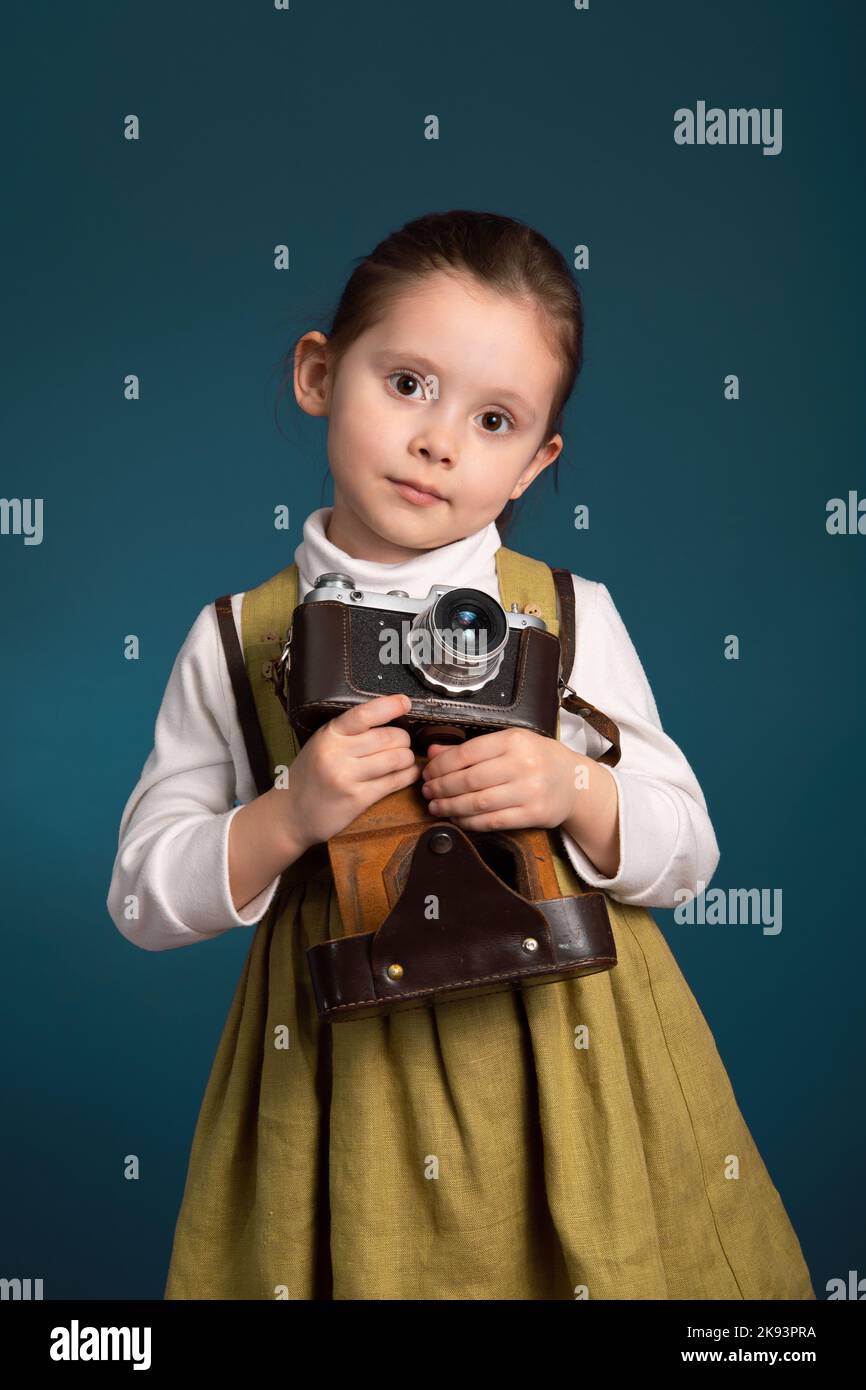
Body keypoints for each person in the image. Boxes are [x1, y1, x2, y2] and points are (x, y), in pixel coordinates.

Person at [106, 209, 815, 1300]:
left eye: (493, 419)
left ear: (538, 461)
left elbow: (687, 857)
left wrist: (573, 787)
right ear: (316, 372)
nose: (439, 440)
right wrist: (286, 815)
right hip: (342, 1077)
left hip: (573, 1058)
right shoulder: (236, 635)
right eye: (406, 385)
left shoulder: (570, 615)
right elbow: (144, 899)